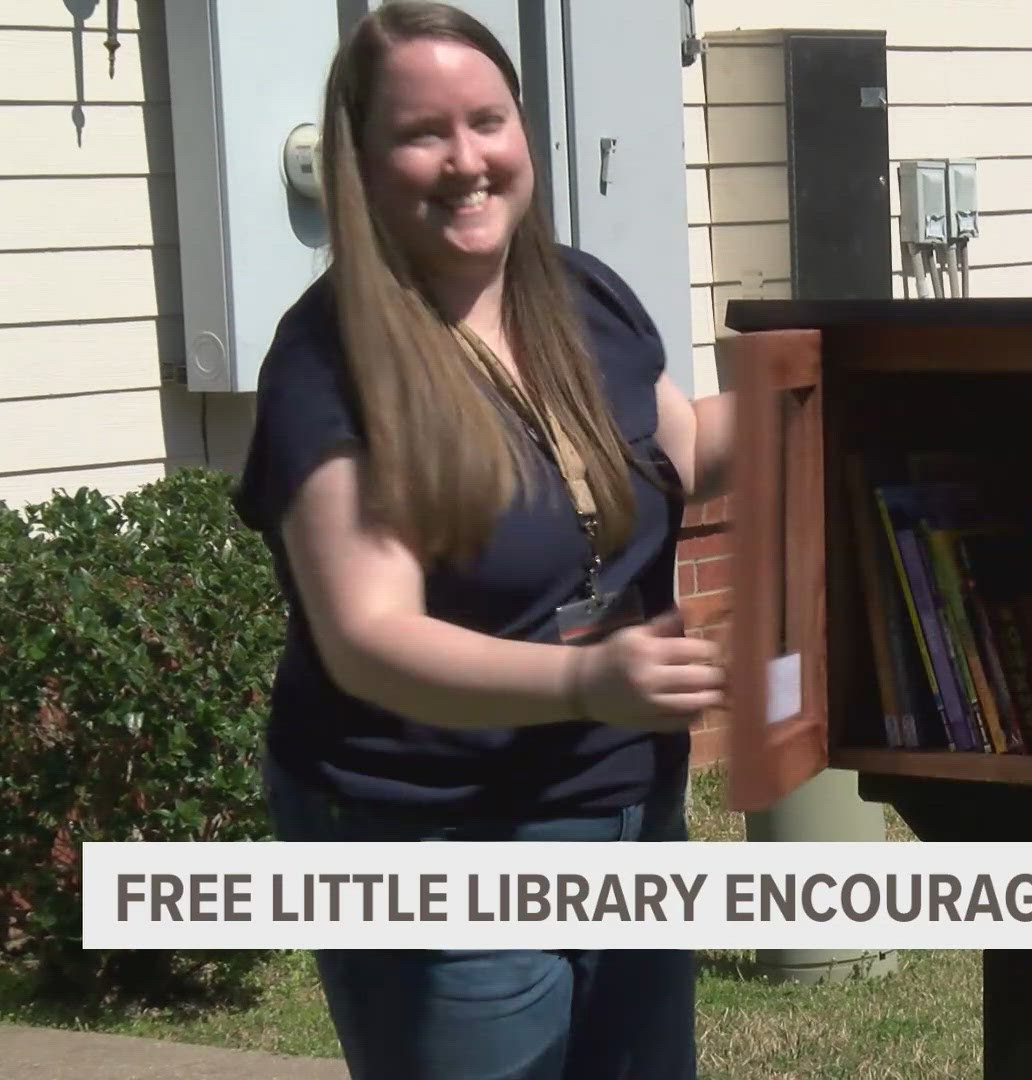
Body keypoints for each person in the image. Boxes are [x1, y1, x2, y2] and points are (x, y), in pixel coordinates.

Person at [231, 4, 731, 1077]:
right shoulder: (329, 363)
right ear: (361, 166)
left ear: (525, 134)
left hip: (624, 808)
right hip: (432, 831)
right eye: (424, 133)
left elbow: (683, 448)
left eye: (487, 121)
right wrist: (587, 678)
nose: (466, 160)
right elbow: (369, 637)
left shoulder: (583, 300)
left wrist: (850, 396)